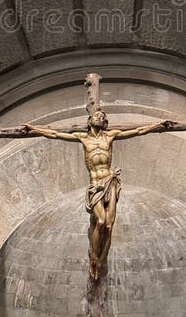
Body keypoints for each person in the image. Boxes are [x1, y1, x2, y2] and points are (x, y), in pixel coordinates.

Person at [16, 110, 176, 279]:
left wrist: (158, 125)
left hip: (111, 182)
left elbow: (138, 131)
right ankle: (93, 256)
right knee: (100, 221)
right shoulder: (83, 137)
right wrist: (33, 129)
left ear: (105, 122)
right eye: (97, 116)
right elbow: (55, 134)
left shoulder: (111, 136)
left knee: (109, 226)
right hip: (95, 185)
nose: (100, 117)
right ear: (89, 120)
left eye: (102, 117)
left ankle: (101, 259)